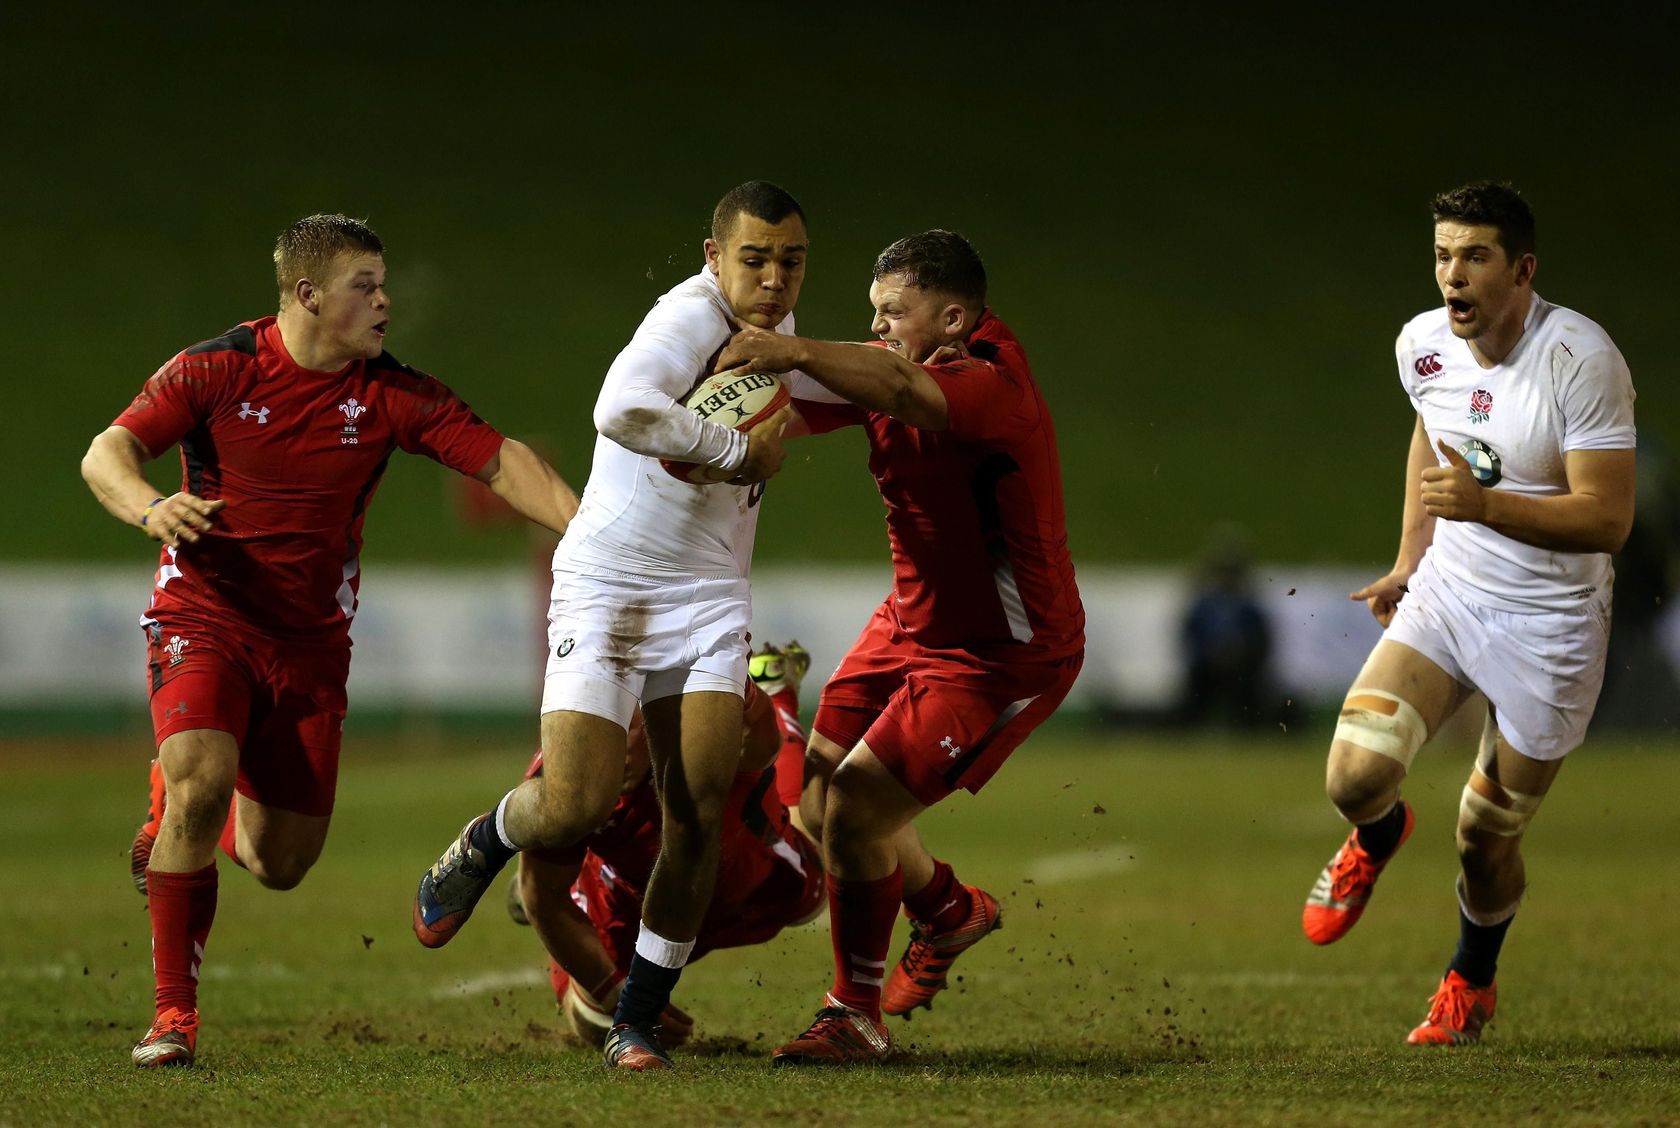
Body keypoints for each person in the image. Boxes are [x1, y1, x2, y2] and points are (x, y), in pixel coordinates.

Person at [81, 214, 581, 1069]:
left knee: (281, 862)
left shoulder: (391, 393)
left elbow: (501, 462)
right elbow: (108, 451)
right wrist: (150, 505)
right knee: (204, 780)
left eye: (383, 286)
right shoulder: (217, 368)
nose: (386, 302)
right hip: (203, 614)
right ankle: (172, 1017)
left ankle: (174, 801)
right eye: (366, 287)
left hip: (310, 646)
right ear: (309, 295)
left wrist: (592, 537)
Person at [410, 181, 805, 1072]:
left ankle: (636, 1019)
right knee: (577, 803)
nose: (774, 278)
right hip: (612, 582)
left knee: (695, 812)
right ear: (713, 258)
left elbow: (832, 383)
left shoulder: (780, 328)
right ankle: (487, 839)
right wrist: (736, 450)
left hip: (709, 595)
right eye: (754, 259)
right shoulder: (686, 319)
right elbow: (619, 409)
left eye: (791, 261)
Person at [715, 229, 1086, 1065]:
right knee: (817, 805)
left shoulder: (993, 383)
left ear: (952, 319)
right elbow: (801, 406)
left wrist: (790, 350)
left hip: (1001, 654)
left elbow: (894, 385)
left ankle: (855, 1014)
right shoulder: (896, 364)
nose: (877, 327)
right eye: (873, 311)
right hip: (911, 622)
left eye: (892, 312)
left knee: (855, 813)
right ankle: (950, 910)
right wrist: (704, 422)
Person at [1300, 182, 1636, 1045]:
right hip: (1453, 593)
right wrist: (1409, 561)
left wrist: (1486, 506)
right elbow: (1434, 434)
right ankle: (1376, 837)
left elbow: (1608, 520)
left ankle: (1470, 981)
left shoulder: (1580, 360)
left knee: (1485, 839)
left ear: (1522, 270)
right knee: (1353, 778)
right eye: (1444, 255)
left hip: (1553, 625)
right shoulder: (1422, 344)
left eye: (1476, 256)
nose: (1453, 274)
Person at [510, 642, 820, 1048]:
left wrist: (746, 693)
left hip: (746, 884)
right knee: (593, 1020)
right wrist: (621, 1000)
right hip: (628, 909)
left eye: (626, 728)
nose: (613, 749)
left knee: (816, 890)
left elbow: (763, 743)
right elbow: (541, 896)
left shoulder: (701, 725)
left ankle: (776, 689)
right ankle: (559, 868)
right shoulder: (568, 769)